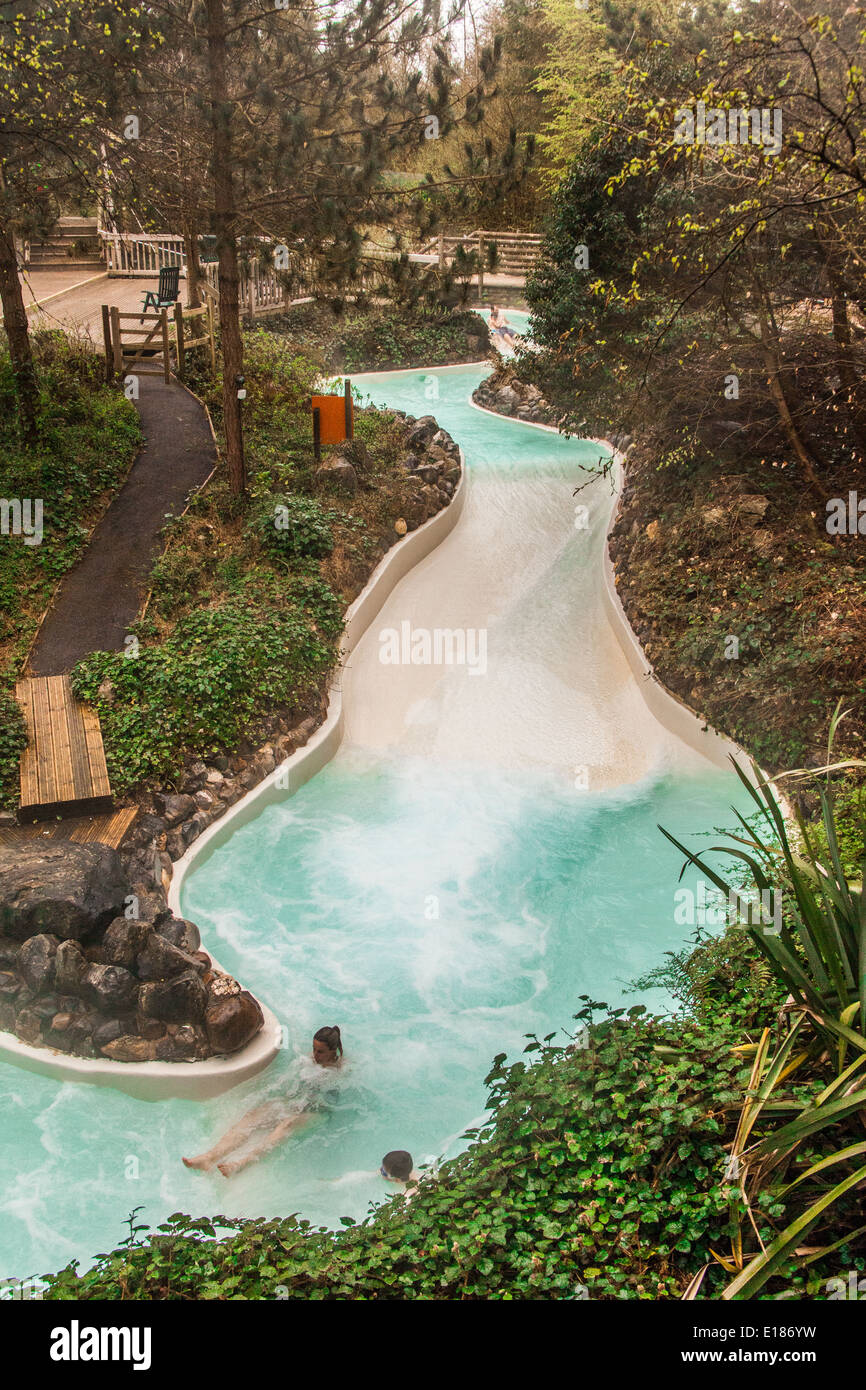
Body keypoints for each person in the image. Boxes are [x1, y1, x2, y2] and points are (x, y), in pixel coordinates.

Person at [183, 1026, 343, 1178]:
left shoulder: (339, 1070)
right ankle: (209, 1158)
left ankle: (240, 1164)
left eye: (320, 1052)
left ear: (332, 1051)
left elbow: (329, 1101)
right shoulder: (310, 1060)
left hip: (319, 1113)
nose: (315, 1054)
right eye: (314, 1049)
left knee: (287, 1124)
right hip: (298, 1103)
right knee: (253, 1116)